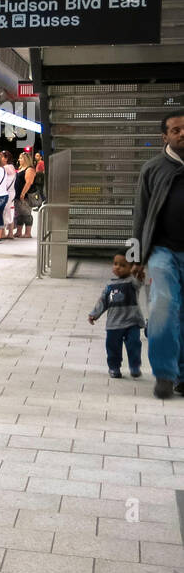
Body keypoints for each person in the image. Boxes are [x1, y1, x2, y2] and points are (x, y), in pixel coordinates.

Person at [131, 111, 184, 400]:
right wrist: (135, 257)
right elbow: (139, 216)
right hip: (163, 251)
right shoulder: (152, 169)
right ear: (165, 136)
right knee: (164, 305)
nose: (182, 134)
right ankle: (164, 373)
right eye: (176, 130)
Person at [88, 253, 144, 379]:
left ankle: (135, 366)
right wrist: (94, 314)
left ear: (130, 267)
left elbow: (139, 282)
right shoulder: (109, 285)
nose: (118, 267)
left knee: (134, 344)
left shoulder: (132, 282)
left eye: (123, 265)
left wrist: (138, 273)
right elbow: (103, 301)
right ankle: (114, 367)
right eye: (115, 264)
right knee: (112, 346)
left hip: (132, 322)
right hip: (114, 324)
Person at [14, 152, 36, 239]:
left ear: (26, 159)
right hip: (18, 195)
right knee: (19, 214)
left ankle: (28, 232)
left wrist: (23, 193)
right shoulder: (20, 168)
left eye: (21, 158)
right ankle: (19, 231)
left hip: (25, 195)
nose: (19, 160)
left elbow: (29, 182)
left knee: (26, 214)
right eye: (19, 158)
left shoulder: (29, 169)